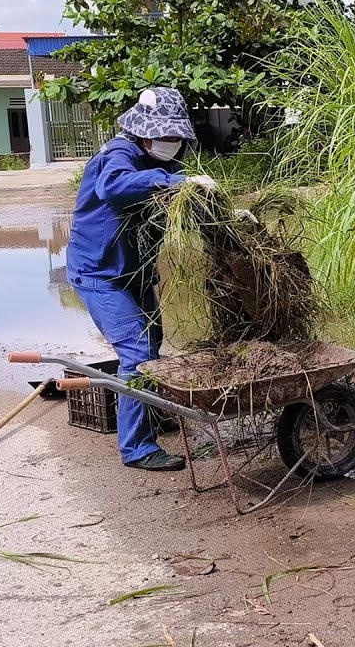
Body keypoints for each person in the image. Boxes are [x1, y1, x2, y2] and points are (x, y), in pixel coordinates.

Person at [66, 87, 216, 471]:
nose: (172, 143)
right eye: (165, 136)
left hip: (136, 273)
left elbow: (185, 200)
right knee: (137, 355)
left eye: (176, 137)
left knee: (152, 344)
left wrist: (229, 216)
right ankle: (137, 448)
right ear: (144, 131)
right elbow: (114, 188)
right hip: (100, 275)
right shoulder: (118, 155)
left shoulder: (161, 163)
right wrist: (174, 184)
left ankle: (148, 411)